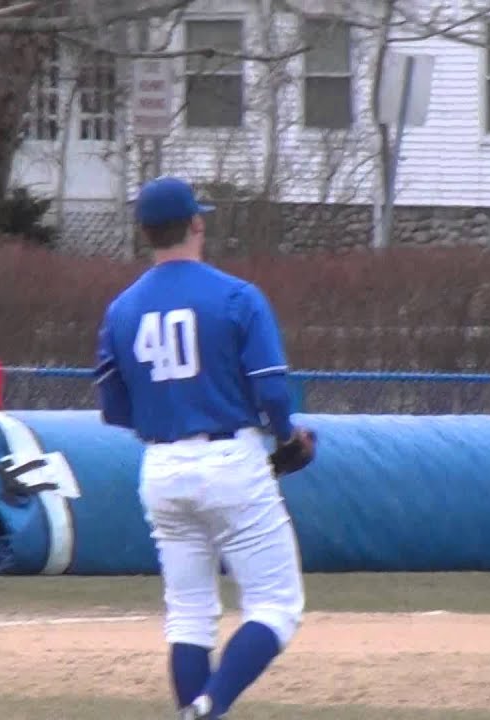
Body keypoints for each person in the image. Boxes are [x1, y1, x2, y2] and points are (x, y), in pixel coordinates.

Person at [94, 176, 316, 719]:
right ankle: (209, 707)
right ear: (197, 223)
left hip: (161, 465)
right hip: (229, 458)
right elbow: (269, 389)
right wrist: (287, 437)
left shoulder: (121, 310)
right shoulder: (236, 295)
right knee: (276, 605)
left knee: (190, 615)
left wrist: (168, 415)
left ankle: (194, 709)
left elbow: (114, 409)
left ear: (145, 231)